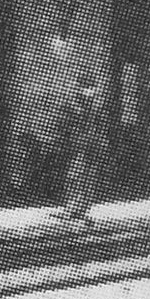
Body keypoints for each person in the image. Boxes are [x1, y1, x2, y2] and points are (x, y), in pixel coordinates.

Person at [56, 80, 107, 222]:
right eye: (86, 90)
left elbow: (100, 128)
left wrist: (100, 143)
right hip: (78, 148)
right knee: (75, 176)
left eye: (92, 91)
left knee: (89, 178)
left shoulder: (95, 109)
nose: (89, 95)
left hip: (91, 148)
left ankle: (83, 209)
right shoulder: (71, 108)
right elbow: (64, 127)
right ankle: (72, 207)